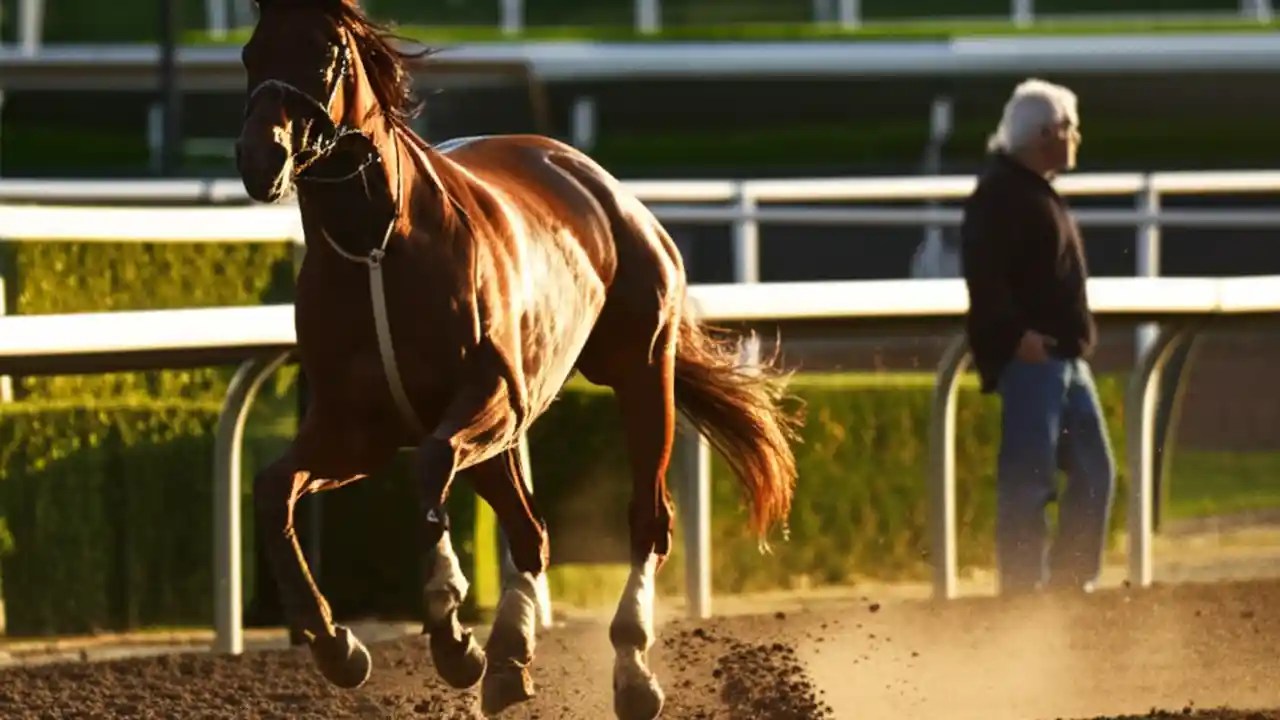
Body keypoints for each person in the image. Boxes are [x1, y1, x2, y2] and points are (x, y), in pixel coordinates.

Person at [959, 78, 1116, 596]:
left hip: (1065, 360)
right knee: (1029, 484)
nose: (1077, 137)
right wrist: (1014, 338)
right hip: (1033, 362)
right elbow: (985, 276)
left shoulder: (1031, 192)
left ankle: (1072, 586)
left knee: (1095, 472)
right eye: (1070, 128)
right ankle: (1023, 595)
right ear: (1046, 133)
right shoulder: (1002, 194)